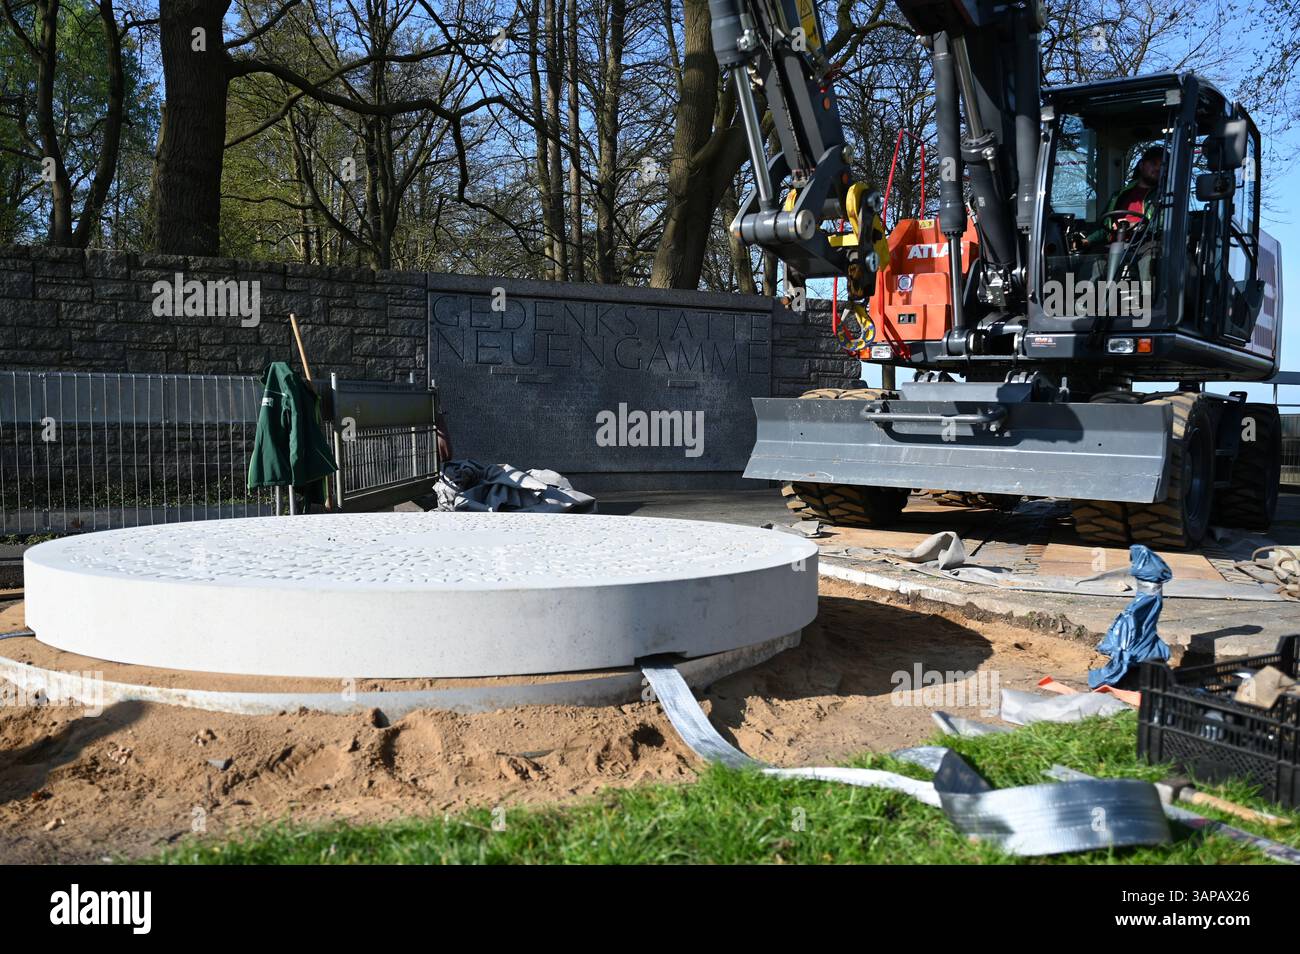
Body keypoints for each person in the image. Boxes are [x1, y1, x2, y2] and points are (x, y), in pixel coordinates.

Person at [1076, 145, 1165, 250]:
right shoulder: (1118, 196)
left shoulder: (1164, 196)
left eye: (1162, 165)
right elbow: (1105, 228)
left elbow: (1164, 226)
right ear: (1141, 165)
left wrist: (1134, 225)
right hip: (1114, 246)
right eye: (1153, 163)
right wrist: (1086, 241)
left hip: (1142, 247)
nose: (1158, 169)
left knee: (1150, 254)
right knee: (1096, 262)